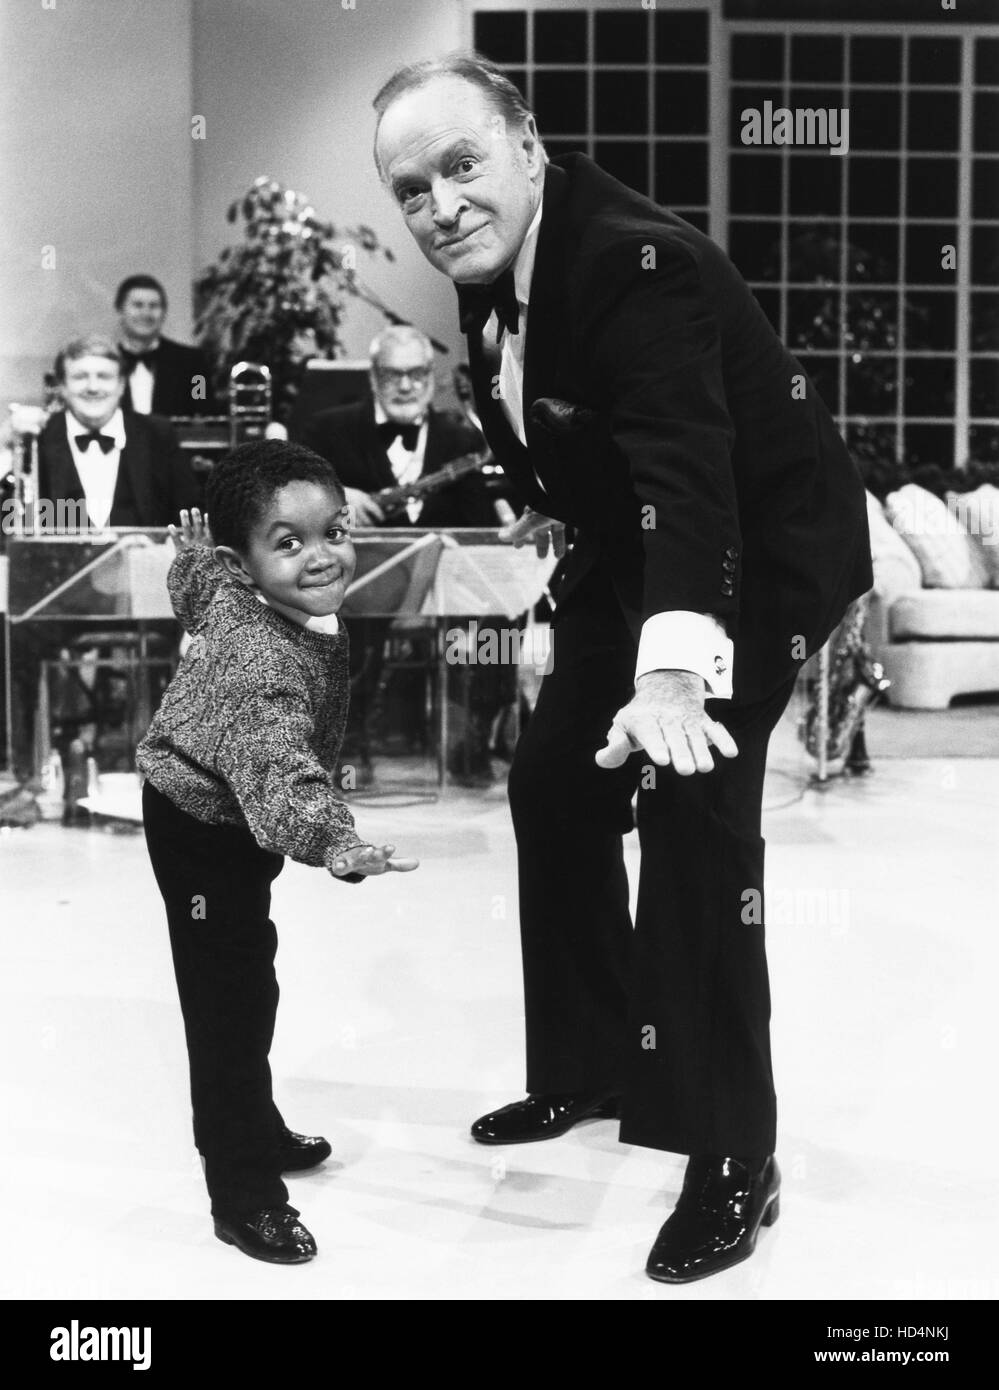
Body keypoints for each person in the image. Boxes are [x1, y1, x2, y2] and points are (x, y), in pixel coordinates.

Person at [372, 53, 873, 1283]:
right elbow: (575, 417)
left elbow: (692, 470)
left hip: (755, 556)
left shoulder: (632, 261)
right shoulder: (500, 260)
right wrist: (559, 493)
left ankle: (732, 1156)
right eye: (412, 188)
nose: (439, 204)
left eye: (461, 164)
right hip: (633, 543)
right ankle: (590, 1063)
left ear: (528, 144)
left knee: (694, 814)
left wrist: (676, 680)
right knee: (553, 781)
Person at [136, 446, 418, 1264]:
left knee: (249, 977)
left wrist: (193, 561)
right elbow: (281, 770)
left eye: (332, 530)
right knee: (225, 1005)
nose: (322, 554)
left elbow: (205, 594)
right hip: (200, 822)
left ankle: (251, 1125)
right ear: (249, 561)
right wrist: (338, 841)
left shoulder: (243, 593)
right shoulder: (263, 662)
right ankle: (243, 1191)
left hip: (224, 809)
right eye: (287, 543)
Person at [302, 324, 513, 783]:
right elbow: (289, 496)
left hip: (439, 584)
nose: (405, 385)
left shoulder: (461, 439)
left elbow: (478, 523)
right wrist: (338, 498)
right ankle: (347, 745)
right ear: (374, 377)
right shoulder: (328, 429)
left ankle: (468, 741)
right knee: (338, 624)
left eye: (416, 374)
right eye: (393, 374)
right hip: (359, 585)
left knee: (495, 625)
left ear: (430, 378)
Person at [37, 334, 199, 529]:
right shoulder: (39, 436)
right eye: (80, 377)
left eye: (104, 377)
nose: (93, 387)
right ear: (62, 386)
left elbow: (190, 514)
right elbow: (9, 518)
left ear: (122, 384)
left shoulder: (158, 434)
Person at [115, 274, 216, 417]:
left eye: (154, 306)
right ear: (120, 311)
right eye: (138, 305)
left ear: (163, 313)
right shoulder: (105, 363)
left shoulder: (194, 364)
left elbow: (204, 413)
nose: (146, 313)